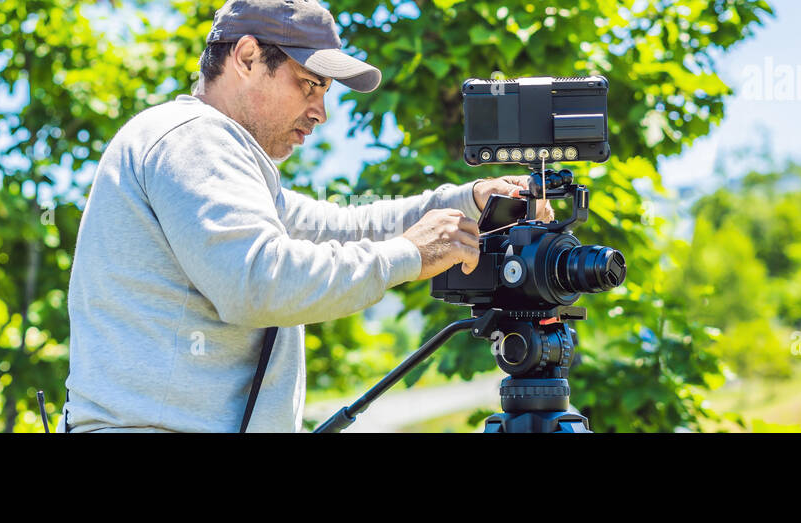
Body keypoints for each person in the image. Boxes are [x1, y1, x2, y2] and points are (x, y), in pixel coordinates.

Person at [60, 0, 551, 432]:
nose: (320, 112)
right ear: (247, 58)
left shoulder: (227, 161)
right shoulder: (194, 138)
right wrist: (408, 255)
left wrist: (469, 200)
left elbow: (341, 226)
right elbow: (256, 280)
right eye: (309, 85)